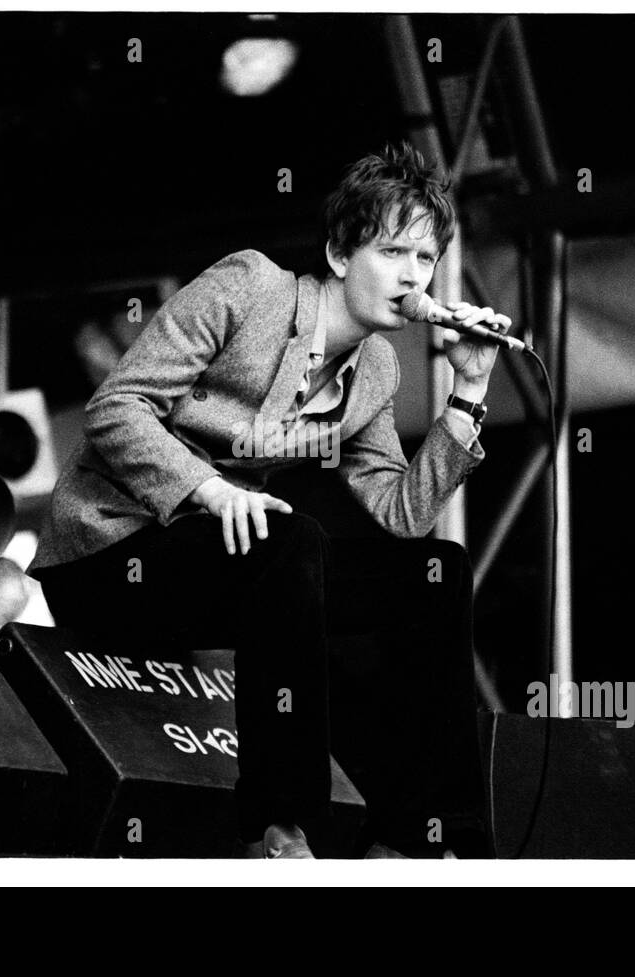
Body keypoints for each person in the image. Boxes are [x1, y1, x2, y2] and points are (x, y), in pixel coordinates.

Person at [29, 143, 511, 858]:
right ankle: (281, 830)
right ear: (342, 255)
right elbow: (114, 408)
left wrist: (467, 394)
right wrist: (212, 490)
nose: (414, 275)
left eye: (427, 258)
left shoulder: (374, 368)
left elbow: (401, 511)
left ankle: (415, 838)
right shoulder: (251, 286)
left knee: (435, 574)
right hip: (109, 557)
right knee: (295, 539)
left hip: (224, 566)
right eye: (394, 251)